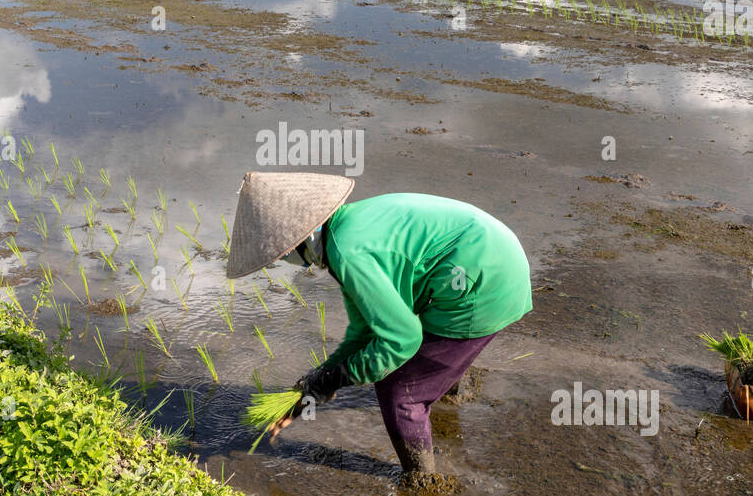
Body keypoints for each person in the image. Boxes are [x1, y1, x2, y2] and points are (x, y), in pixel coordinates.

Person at [225, 172, 532, 478]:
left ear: (296, 243)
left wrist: (339, 377)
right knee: (427, 343)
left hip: (488, 283)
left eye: (280, 256)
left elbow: (401, 340)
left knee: (400, 391)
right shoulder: (347, 227)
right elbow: (365, 328)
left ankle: (423, 481)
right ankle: (448, 393)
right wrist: (317, 381)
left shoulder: (346, 253)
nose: (283, 261)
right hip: (494, 251)